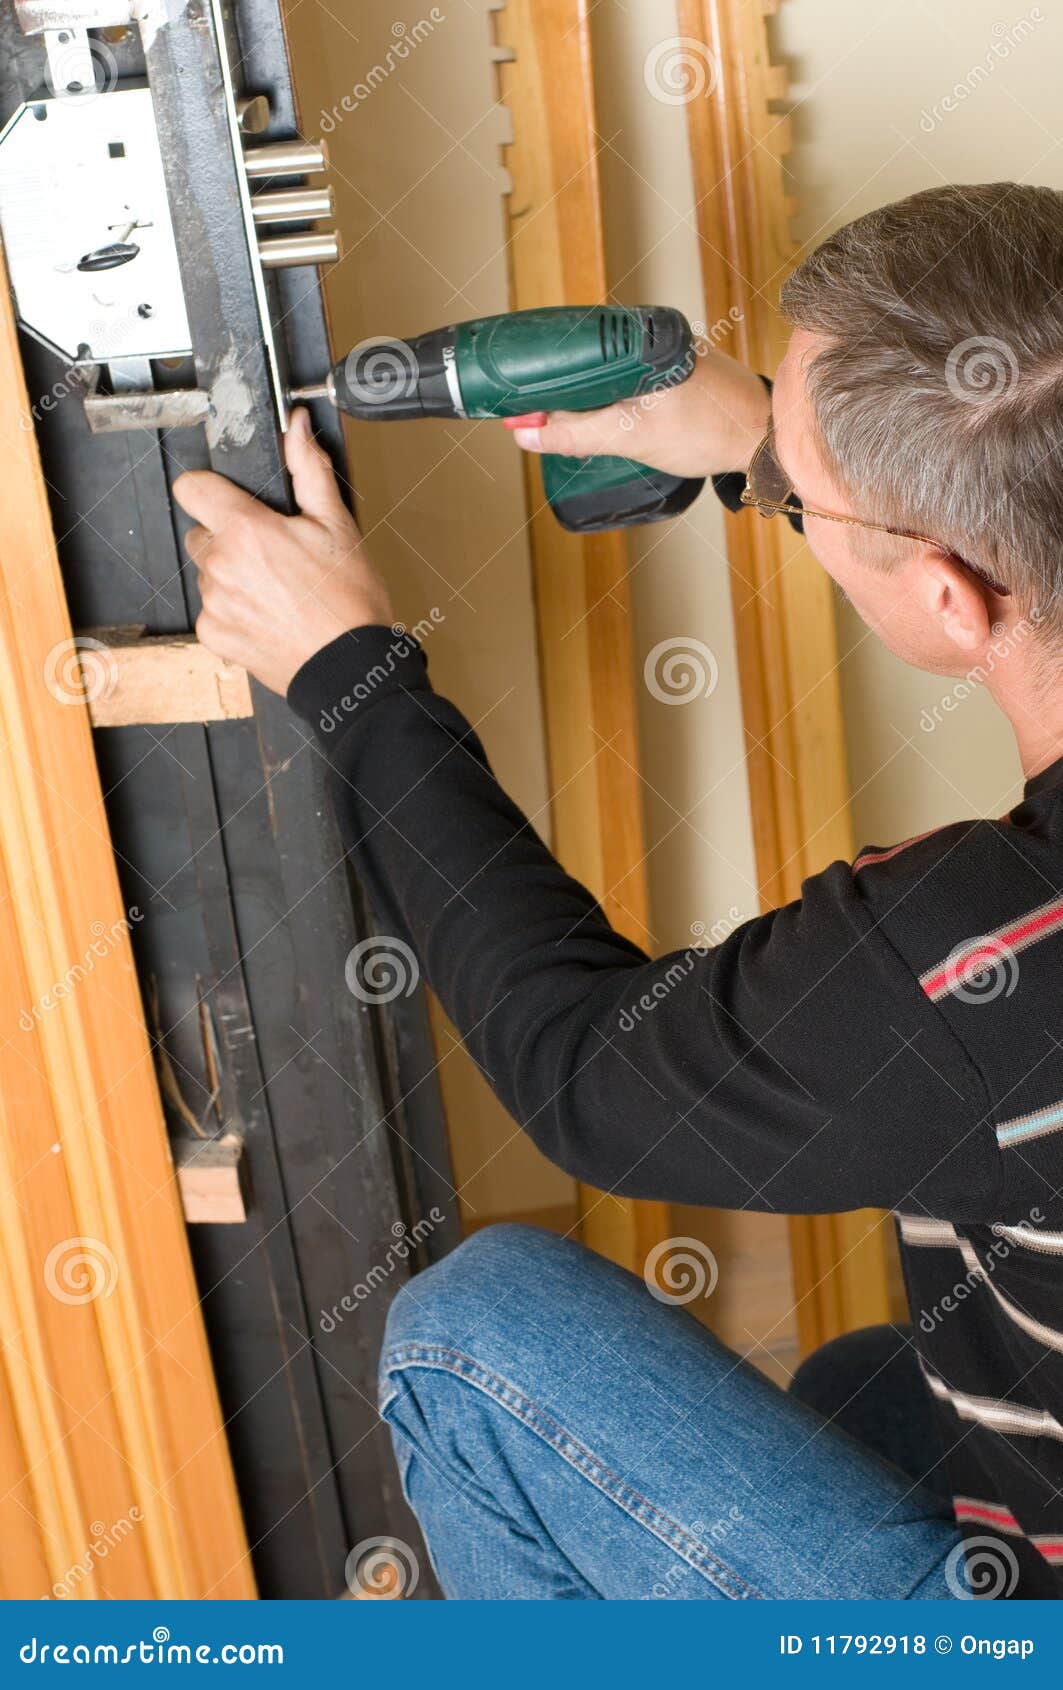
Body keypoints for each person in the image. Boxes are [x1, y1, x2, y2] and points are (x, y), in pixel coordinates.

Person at [174, 184, 1063, 1600]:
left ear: (950, 596)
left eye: (814, 498)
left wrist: (349, 673)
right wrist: (768, 440)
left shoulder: (987, 953)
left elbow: (585, 1067)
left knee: (476, 1336)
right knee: (864, 1386)